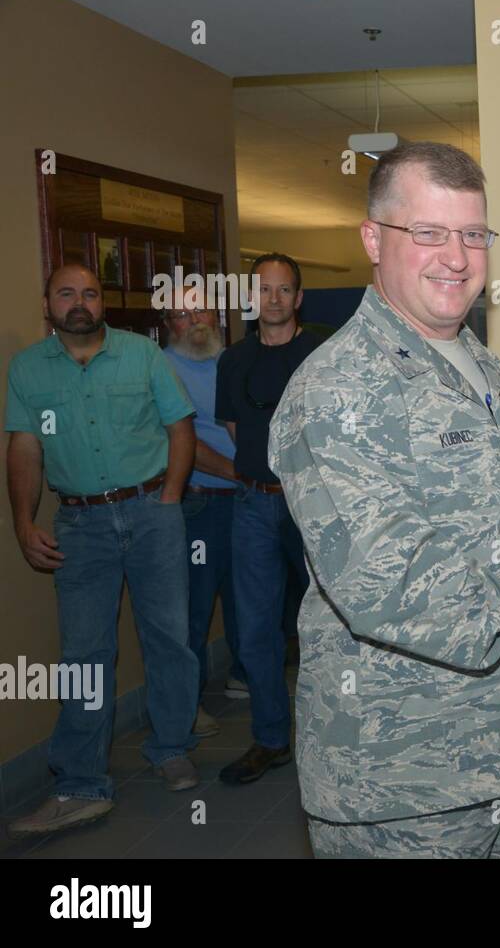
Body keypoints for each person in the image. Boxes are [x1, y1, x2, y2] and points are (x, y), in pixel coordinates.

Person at [269, 141, 500, 858]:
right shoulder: (336, 388)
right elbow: (387, 577)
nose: (455, 258)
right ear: (374, 239)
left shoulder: (478, 363)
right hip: (399, 782)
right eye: (427, 233)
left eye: (471, 235)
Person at [5, 264, 201, 838]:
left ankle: (171, 747)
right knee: (84, 653)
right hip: (81, 526)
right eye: (67, 293)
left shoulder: (142, 355)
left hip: (151, 512)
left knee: (169, 636)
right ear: (48, 305)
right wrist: (23, 524)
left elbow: (180, 428)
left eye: (90, 292)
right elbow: (24, 449)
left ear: (103, 304)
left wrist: (169, 499)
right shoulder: (27, 370)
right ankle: (81, 785)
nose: (80, 302)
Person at [214, 253, 321, 785]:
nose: (273, 299)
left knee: (327, 623)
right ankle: (271, 739)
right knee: (256, 629)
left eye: (283, 290)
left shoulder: (324, 354)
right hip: (255, 504)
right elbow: (238, 431)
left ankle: (333, 740)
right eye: (263, 290)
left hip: (314, 507)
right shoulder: (232, 361)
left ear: (298, 299)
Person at [162, 286, 244, 736]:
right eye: (180, 313)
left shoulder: (232, 361)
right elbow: (184, 439)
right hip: (200, 504)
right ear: (167, 324)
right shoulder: (163, 368)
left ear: (217, 315)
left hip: (245, 501)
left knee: (246, 598)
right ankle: (185, 708)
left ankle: (244, 675)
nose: (193, 320)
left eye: (201, 310)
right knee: (192, 608)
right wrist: (241, 471)